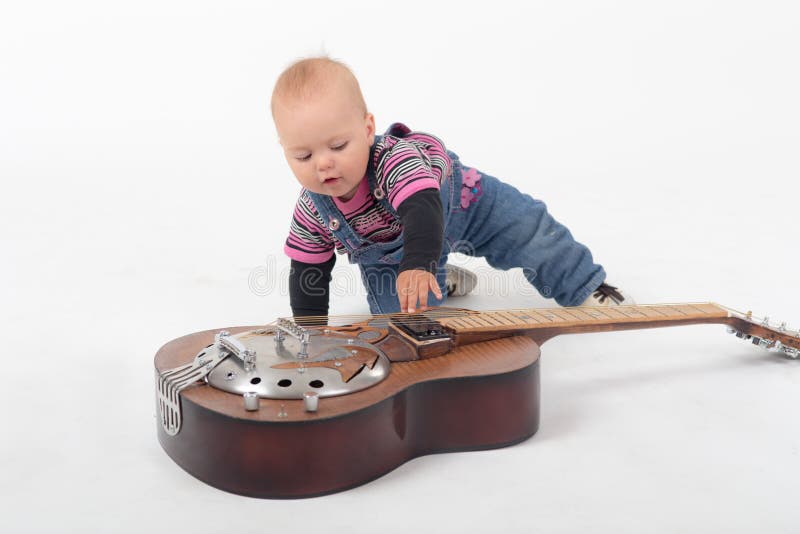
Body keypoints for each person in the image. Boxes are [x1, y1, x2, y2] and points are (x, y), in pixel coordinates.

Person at [271, 56, 630, 320]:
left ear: (367, 131)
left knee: (527, 229)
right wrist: (310, 332)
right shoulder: (313, 210)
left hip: (462, 205)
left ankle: (584, 284)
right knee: (404, 323)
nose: (323, 164)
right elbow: (307, 272)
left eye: (338, 146)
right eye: (303, 155)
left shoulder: (394, 160)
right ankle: (437, 277)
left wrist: (419, 264)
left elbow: (423, 210)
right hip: (394, 258)